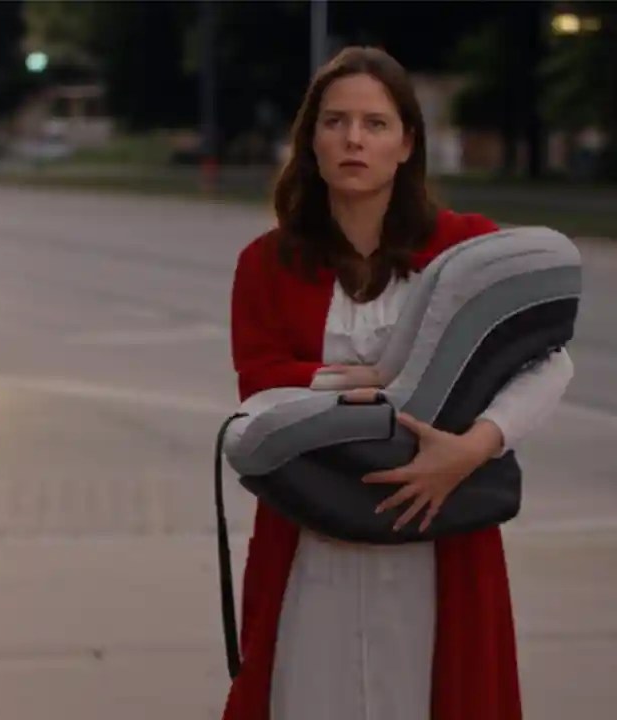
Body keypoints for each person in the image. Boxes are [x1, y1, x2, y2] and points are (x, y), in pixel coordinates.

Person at [224, 47, 574, 720]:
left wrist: (470, 450)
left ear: (407, 143)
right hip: (315, 525)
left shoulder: (470, 249)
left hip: (439, 525)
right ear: (311, 141)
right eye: (335, 122)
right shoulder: (267, 263)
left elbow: (549, 362)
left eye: (375, 123)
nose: (353, 139)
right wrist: (367, 380)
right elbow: (259, 383)